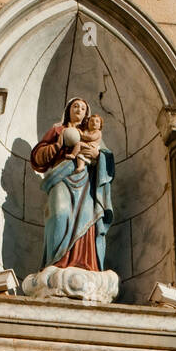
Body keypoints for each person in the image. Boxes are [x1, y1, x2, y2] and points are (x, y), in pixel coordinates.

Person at [29, 97, 114, 272]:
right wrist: (58, 145)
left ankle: (85, 264)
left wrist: (97, 156)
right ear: (68, 109)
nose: (79, 110)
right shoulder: (58, 129)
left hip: (86, 183)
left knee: (86, 220)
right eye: (75, 106)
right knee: (59, 213)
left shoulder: (91, 133)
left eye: (83, 108)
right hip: (61, 177)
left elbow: (107, 159)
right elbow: (38, 157)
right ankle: (55, 263)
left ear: (87, 114)